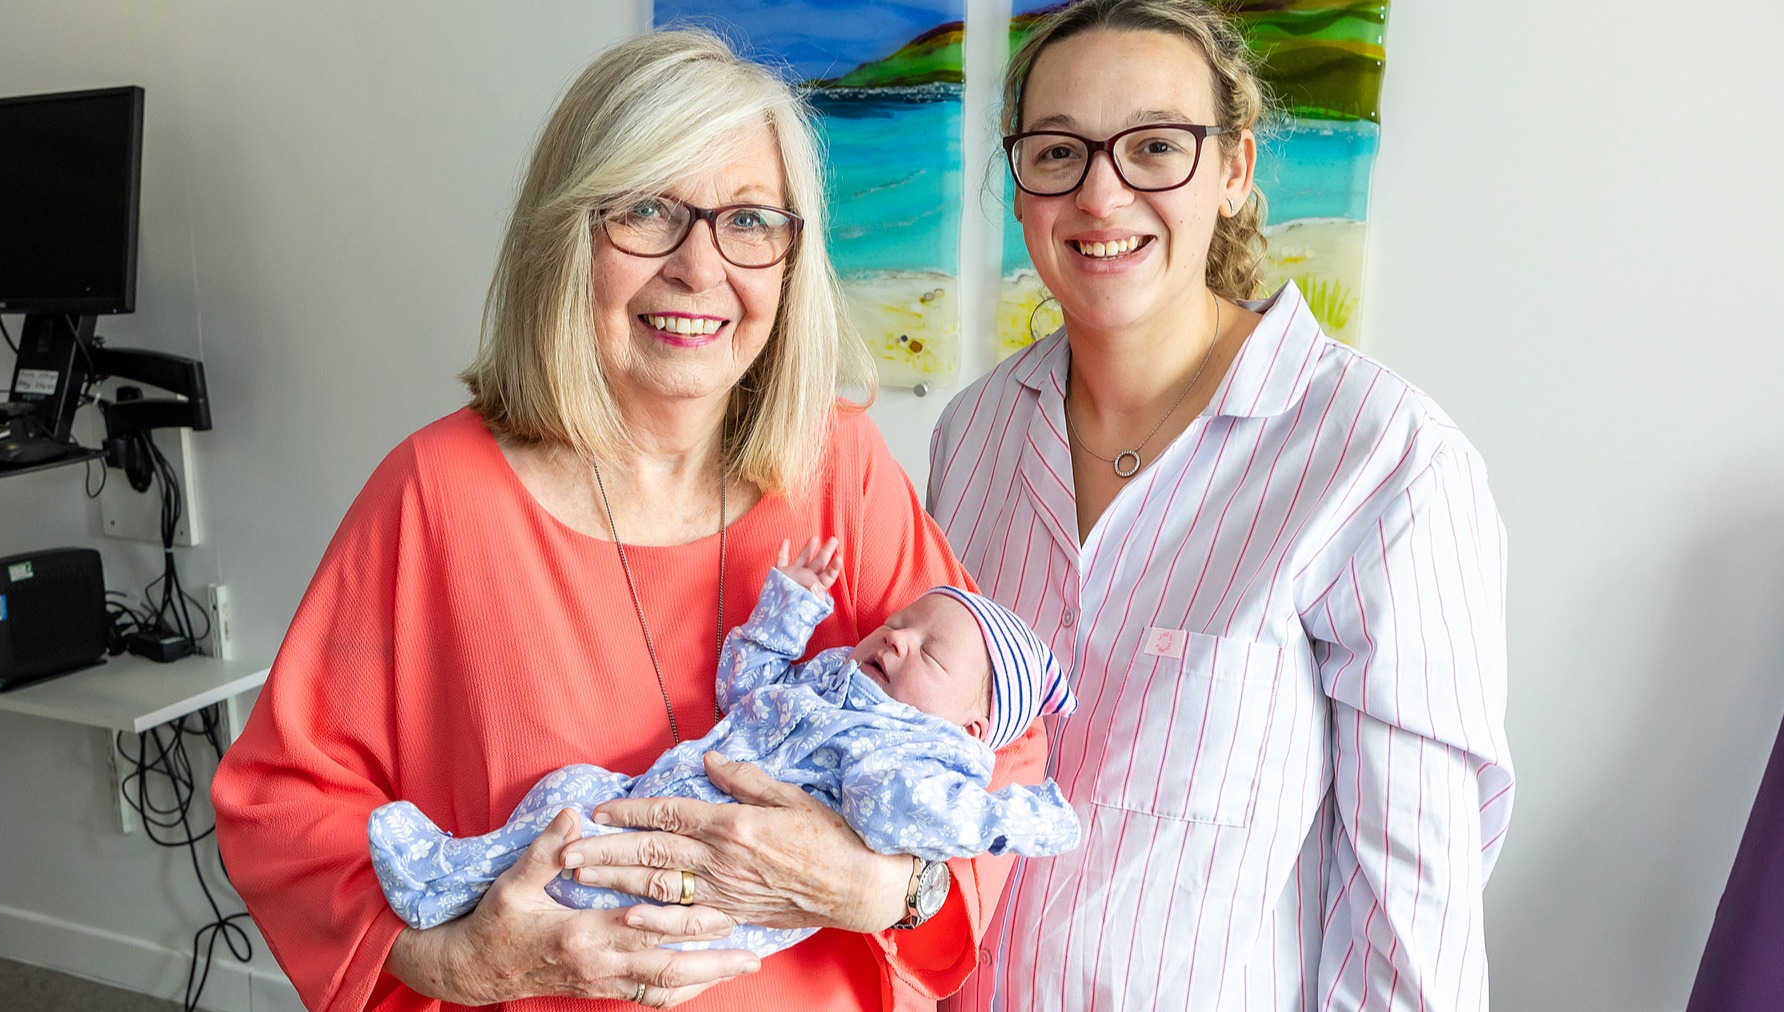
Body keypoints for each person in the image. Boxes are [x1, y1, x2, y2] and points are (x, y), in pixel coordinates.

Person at [210, 29, 1049, 1012]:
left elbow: (1003, 739)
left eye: (748, 220)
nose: (700, 268)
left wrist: (888, 888)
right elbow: (281, 807)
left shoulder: (841, 466)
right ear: (563, 236)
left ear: (789, 256)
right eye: (646, 210)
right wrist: (457, 962)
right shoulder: (434, 494)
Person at [926, 1, 1515, 1008]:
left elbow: (1410, 920)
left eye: (1155, 146)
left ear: (1234, 170)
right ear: (1019, 184)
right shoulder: (971, 432)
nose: (1101, 195)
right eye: (1058, 151)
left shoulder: (1382, 457)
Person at [369, 538, 1082, 956]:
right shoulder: (833, 684)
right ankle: (454, 883)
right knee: (566, 798)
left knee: (576, 861)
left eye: (932, 654)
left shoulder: (910, 757)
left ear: (971, 729)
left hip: (706, 890)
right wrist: (789, 610)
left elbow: (902, 813)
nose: (896, 637)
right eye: (901, 621)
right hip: (650, 801)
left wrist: (1013, 817)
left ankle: (442, 884)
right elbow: (746, 693)